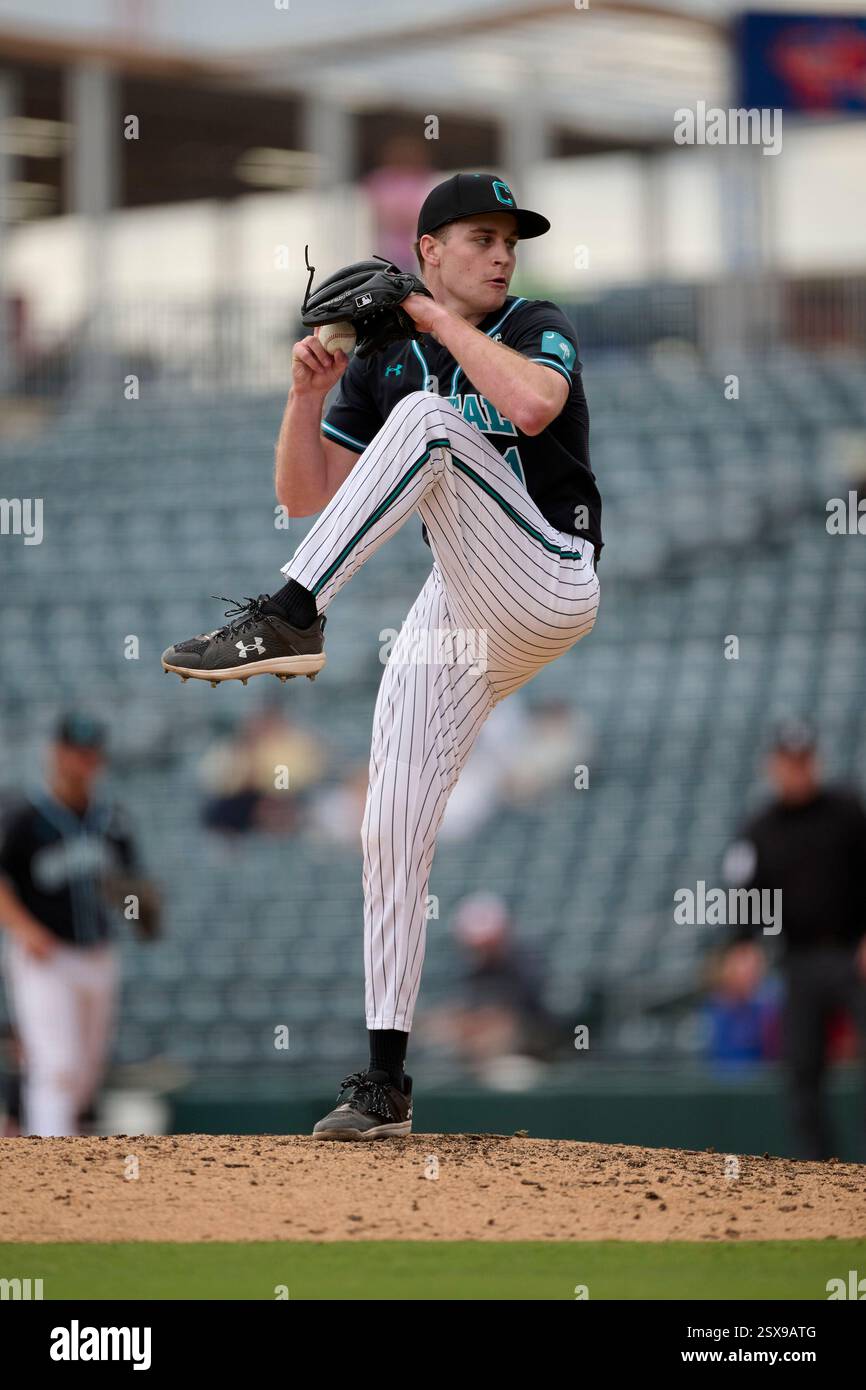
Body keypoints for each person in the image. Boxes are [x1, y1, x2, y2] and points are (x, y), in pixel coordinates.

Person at [161, 172, 603, 1139]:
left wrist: (427, 321)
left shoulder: (534, 324)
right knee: (390, 818)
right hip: (461, 603)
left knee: (433, 424)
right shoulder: (385, 362)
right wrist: (302, 395)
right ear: (429, 248)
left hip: (550, 573)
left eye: (509, 241)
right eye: (480, 238)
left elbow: (531, 409)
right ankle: (386, 1083)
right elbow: (308, 496)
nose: (501, 254)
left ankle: (289, 614)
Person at [0, 713, 159, 1136]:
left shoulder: (112, 819)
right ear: (55, 754)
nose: (83, 761)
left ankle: (59, 1160)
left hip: (99, 956)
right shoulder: (23, 814)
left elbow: (134, 892)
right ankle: (51, 1167)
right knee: (57, 1067)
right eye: (75, 752)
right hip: (46, 957)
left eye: (90, 754)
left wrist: (139, 907)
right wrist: (24, 929)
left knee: (86, 1074)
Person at [721, 720, 866, 1158]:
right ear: (774, 766)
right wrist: (742, 946)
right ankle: (818, 1174)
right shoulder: (761, 829)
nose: (796, 771)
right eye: (788, 762)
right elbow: (744, 892)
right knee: (802, 1070)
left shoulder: (847, 811)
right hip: (798, 961)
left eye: (803, 762)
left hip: (852, 956)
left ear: (814, 763)